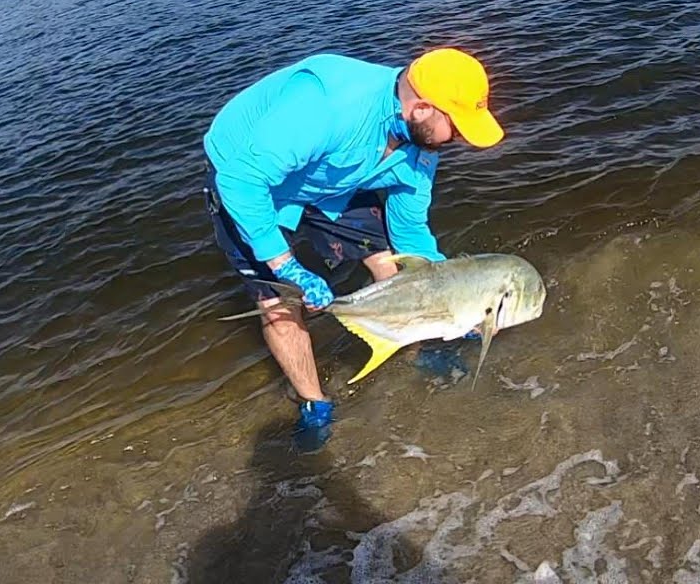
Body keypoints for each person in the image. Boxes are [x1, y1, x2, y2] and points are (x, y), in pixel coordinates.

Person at [202, 47, 504, 451]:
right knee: (277, 304)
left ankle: (414, 347)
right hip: (248, 180)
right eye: (458, 127)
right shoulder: (327, 106)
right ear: (421, 109)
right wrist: (285, 264)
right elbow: (240, 181)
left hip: (333, 179)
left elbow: (410, 233)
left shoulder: (421, 144)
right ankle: (315, 403)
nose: (461, 139)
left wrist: (452, 295)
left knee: (388, 262)